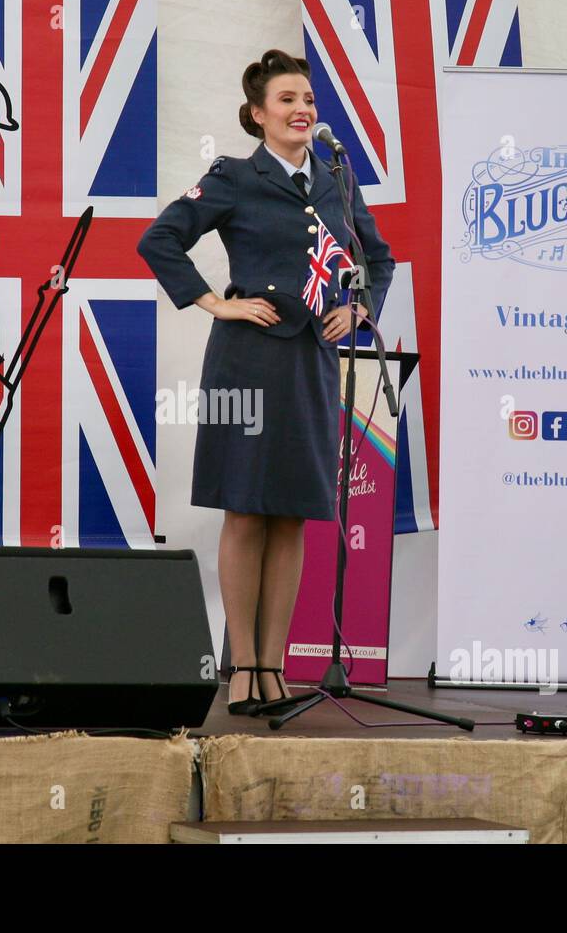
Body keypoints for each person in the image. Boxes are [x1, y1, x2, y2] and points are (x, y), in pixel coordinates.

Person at [138, 49, 394, 715]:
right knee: (247, 509)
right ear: (257, 114)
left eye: (308, 99)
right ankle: (244, 666)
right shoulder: (234, 177)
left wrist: (361, 306)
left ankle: (274, 666)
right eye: (287, 100)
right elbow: (160, 239)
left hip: (310, 359)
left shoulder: (337, 176)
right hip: (246, 360)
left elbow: (378, 256)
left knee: (293, 515)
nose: (302, 109)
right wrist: (214, 301)